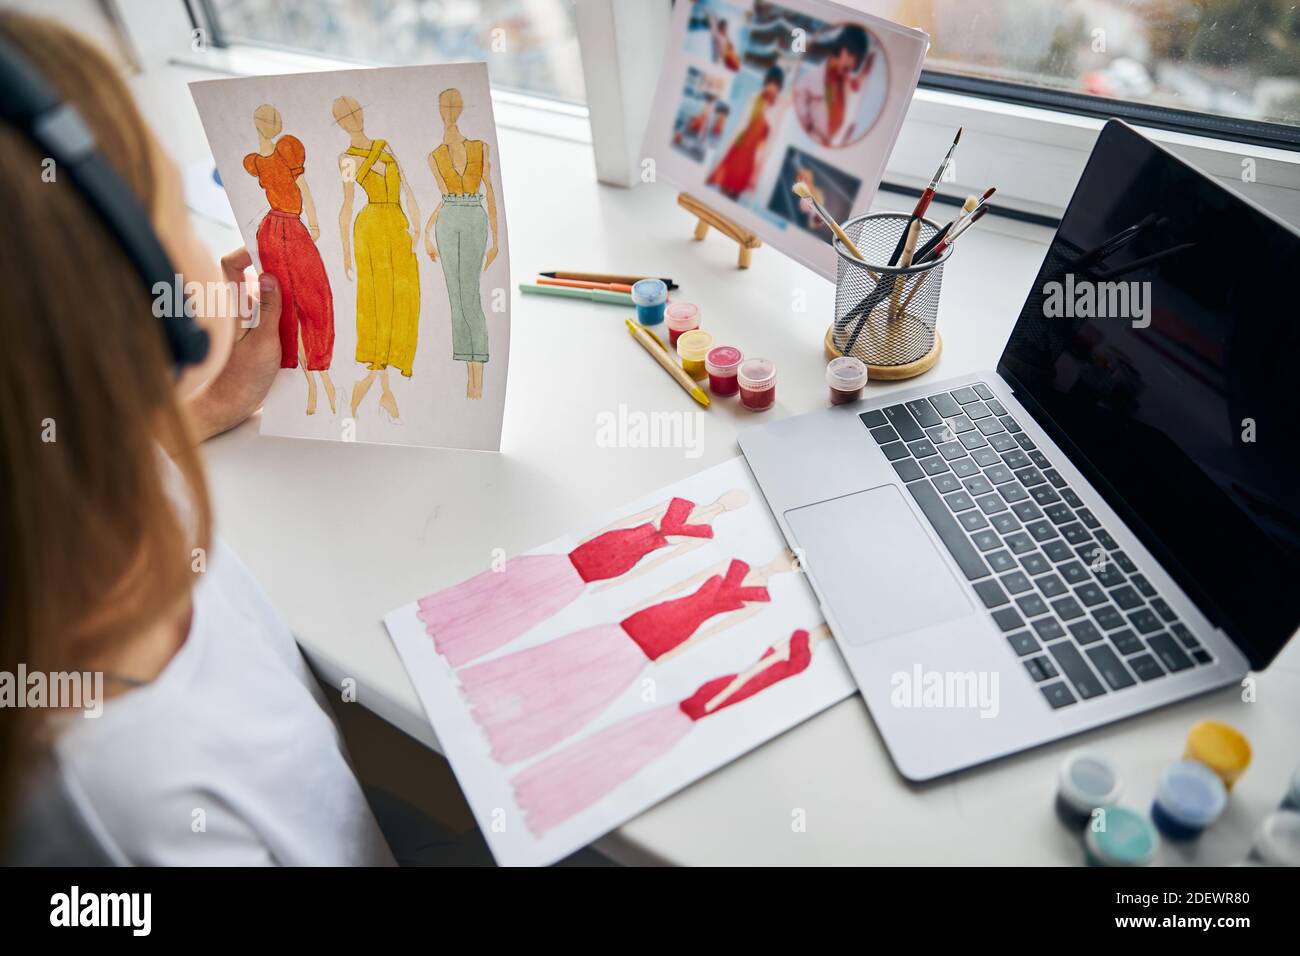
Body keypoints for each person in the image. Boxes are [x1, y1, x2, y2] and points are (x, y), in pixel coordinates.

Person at [0, 12, 394, 865]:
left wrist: (198, 408)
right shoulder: (129, 800)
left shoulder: (80, 488)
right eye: (173, 202)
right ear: (130, 296)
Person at [707, 65, 785, 202]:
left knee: (741, 181)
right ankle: (719, 198)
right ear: (766, 82)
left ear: (779, 87)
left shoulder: (778, 106)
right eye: (770, 83)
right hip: (742, 141)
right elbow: (744, 120)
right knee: (728, 173)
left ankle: (731, 200)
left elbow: (773, 132)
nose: (772, 87)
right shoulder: (755, 97)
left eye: (776, 84)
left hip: (755, 148)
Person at [793, 24, 873, 147]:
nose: (851, 64)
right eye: (850, 53)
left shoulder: (848, 86)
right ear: (841, 47)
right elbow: (799, 125)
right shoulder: (808, 82)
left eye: (856, 60)